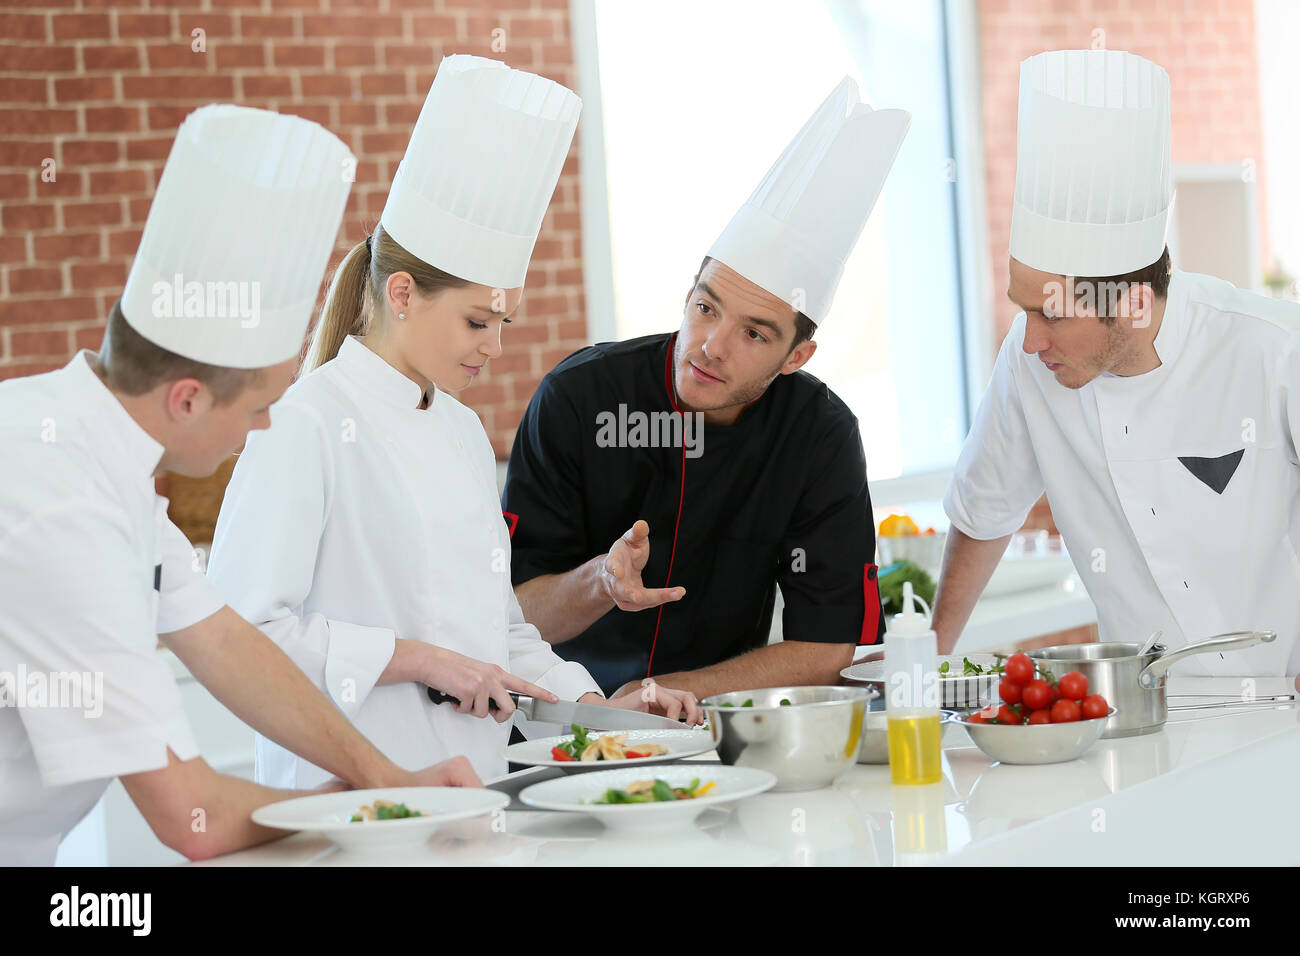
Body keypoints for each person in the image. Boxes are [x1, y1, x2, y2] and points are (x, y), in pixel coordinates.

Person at [0, 105, 478, 867]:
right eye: (257, 406)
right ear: (187, 398)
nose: (262, 430)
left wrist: (381, 775)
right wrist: (373, 806)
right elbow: (196, 819)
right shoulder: (59, 508)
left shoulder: (100, 454)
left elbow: (225, 642)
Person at [207, 56, 700, 787]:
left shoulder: (463, 434)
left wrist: (603, 710)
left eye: (503, 320)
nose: (496, 346)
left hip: (474, 794)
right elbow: (242, 637)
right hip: (345, 807)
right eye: (478, 320)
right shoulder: (304, 424)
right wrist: (417, 658)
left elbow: (498, 633)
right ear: (402, 292)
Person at [502, 77, 910, 698]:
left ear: (797, 355)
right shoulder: (578, 399)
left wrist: (674, 691)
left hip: (722, 727)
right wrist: (600, 584)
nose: (712, 345)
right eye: (706, 307)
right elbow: (510, 617)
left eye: (753, 333)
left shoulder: (818, 435)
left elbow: (833, 645)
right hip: (561, 727)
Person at [933, 49, 1300, 677]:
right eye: (1024, 311)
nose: (1030, 341)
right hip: (1140, 723)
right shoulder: (1028, 368)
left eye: (1052, 315)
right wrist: (927, 655)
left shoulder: (1272, 349)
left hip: (1282, 720)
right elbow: (983, 510)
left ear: (1130, 305)